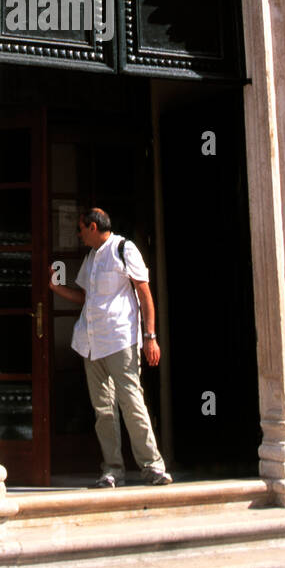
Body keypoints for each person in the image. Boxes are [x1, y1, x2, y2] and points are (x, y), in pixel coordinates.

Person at [49, 207, 172, 487]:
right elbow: (85, 297)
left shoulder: (124, 249)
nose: (78, 234)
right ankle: (112, 470)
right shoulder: (91, 257)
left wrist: (150, 337)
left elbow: (144, 293)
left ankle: (153, 466)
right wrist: (56, 289)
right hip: (91, 342)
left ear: (93, 227)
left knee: (132, 403)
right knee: (103, 410)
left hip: (120, 339)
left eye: (80, 229)